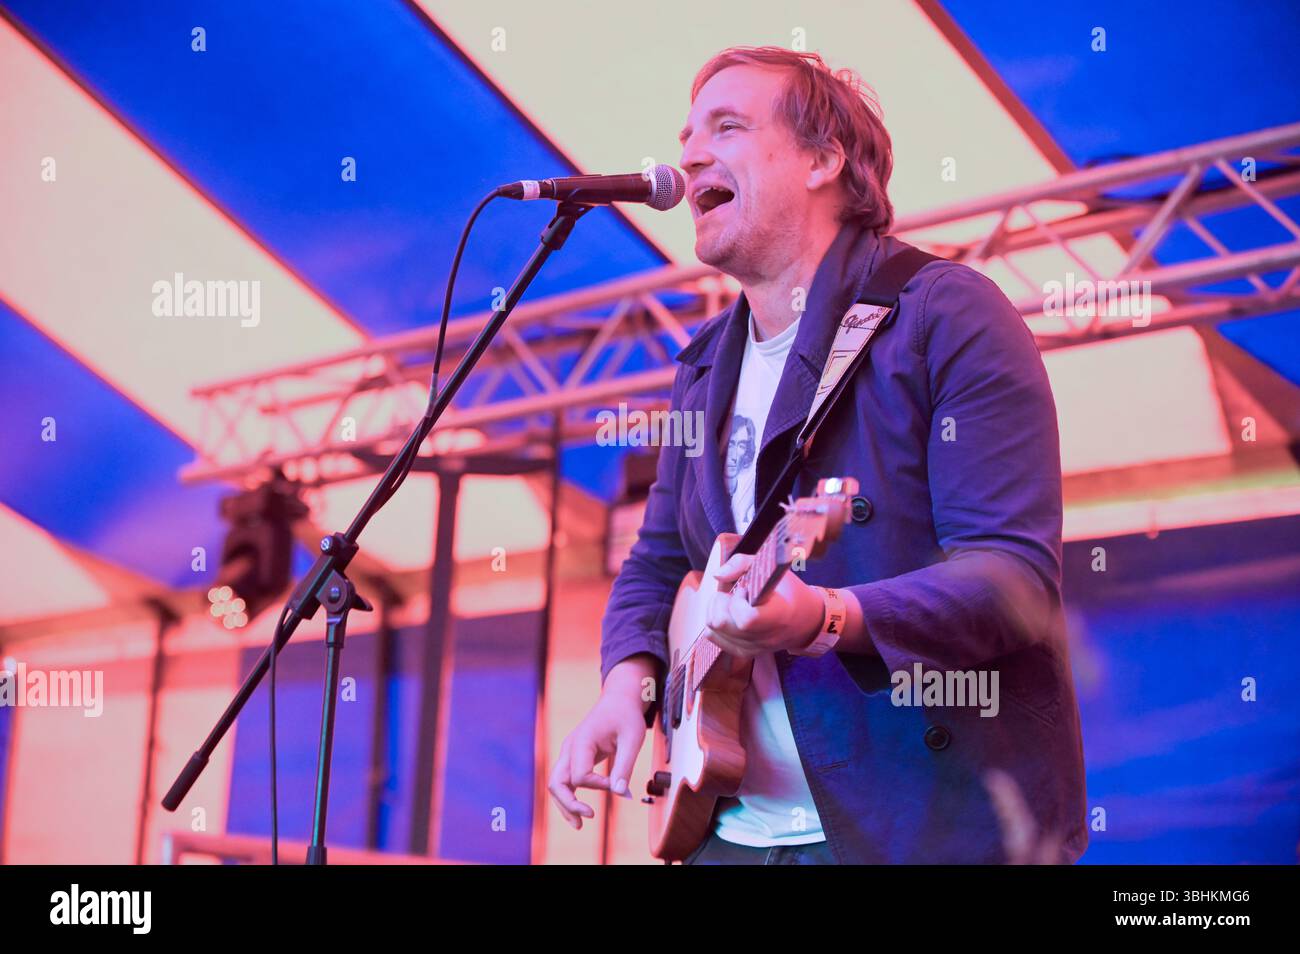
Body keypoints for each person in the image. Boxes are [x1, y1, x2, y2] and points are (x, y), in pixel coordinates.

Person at [548, 45, 1088, 864]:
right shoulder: (700, 366)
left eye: (727, 126)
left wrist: (825, 617)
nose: (690, 153)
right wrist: (629, 684)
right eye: (689, 133)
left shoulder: (946, 315)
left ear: (825, 159)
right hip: (728, 834)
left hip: (922, 830)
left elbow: (1012, 576)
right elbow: (657, 566)